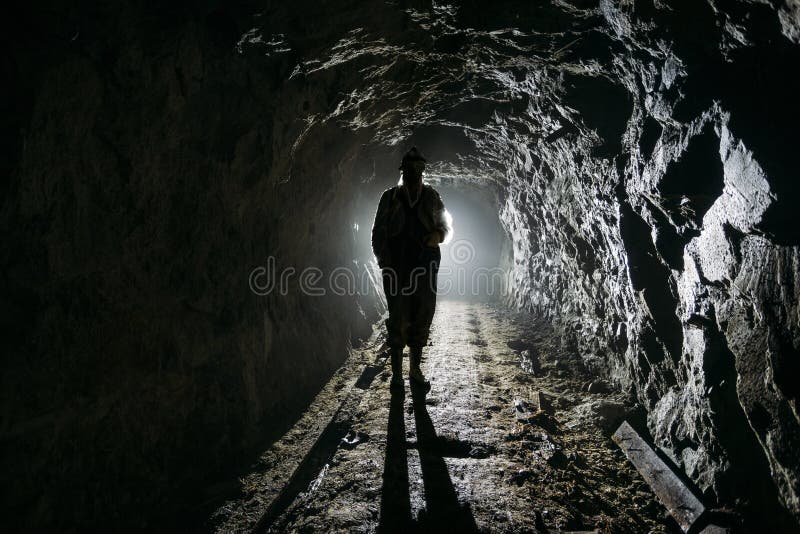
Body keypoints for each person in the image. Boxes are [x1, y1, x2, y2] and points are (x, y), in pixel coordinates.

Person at [371, 147, 451, 391]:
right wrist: (384, 261)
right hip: (396, 267)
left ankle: (415, 370)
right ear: (402, 171)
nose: (413, 173)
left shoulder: (431, 197)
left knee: (422, 316)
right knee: (397, 317)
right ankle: (397, 375)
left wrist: (436, 236)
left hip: (424, 268)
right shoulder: (390, 197)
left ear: (423, 171)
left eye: (418, 169)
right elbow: (377, 233)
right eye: (409, 169)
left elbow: (445, 227)